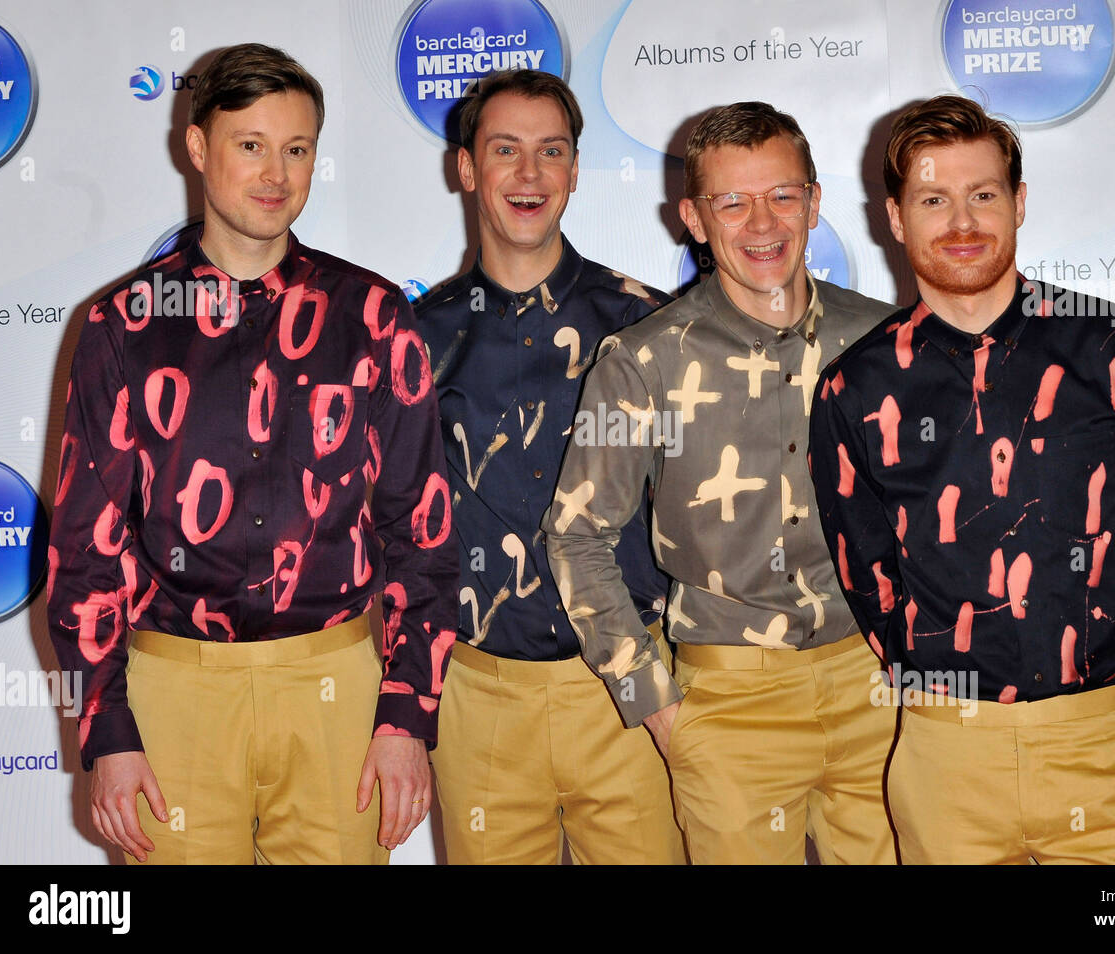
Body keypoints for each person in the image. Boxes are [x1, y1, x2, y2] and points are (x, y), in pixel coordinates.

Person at [45, 43, 458, 864]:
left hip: (338, 686)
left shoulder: (373, 315)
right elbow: (85, 553)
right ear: (197, 148)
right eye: (250, 145)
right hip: (174, 695)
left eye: (297, 149)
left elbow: (426, 532)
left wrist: (408, 713)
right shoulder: (122, 325)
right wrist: (108, 729)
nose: (276, 172)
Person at [808, 94, 1115, 864]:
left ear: (1018, 203)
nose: (961, 222)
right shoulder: (856, 388)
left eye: (983, 195)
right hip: (946, 759)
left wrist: (1090, 645)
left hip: (1101, 749)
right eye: (933, 199)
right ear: (894, 216)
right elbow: (867, 571)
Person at [543, 101, 897, 864]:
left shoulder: (883, 342)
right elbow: (576, 537)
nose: (761, 223)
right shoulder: (643, 361)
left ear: (813, 201)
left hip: (876, 694)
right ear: (694, 219)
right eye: (732, 202)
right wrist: (659, 710)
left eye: (781, 195)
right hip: (729, 704)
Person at [417, 69, 684, 864]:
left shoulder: (645, 325)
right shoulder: (414, 340)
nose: (529, 175)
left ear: (574, 171)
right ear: (467, 169)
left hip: (631, 688)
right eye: (506, 150)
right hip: (478, 698)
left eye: (551, 152)